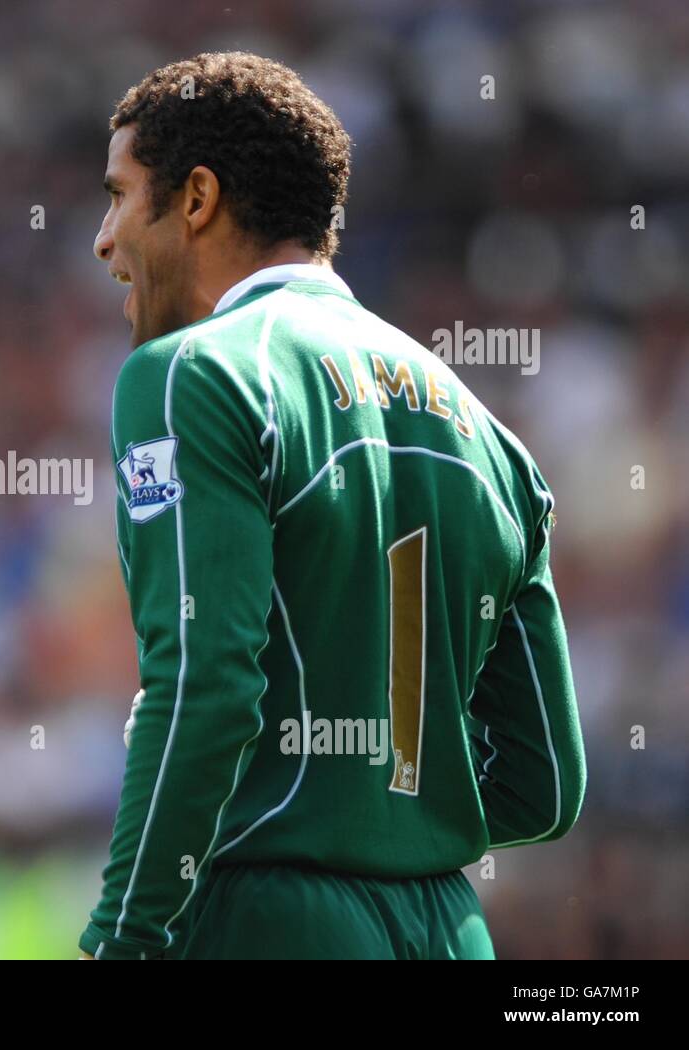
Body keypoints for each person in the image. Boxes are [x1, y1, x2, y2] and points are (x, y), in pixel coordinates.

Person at [81, 53, 585, 960]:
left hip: (270, 922)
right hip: (453, 929)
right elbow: (544, 788)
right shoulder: (492, 435)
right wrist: (393, 823)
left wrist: (124, 936)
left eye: (118, 196)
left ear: (196, 199)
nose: (103, 240)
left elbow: (204, 685)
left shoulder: (190, 373)